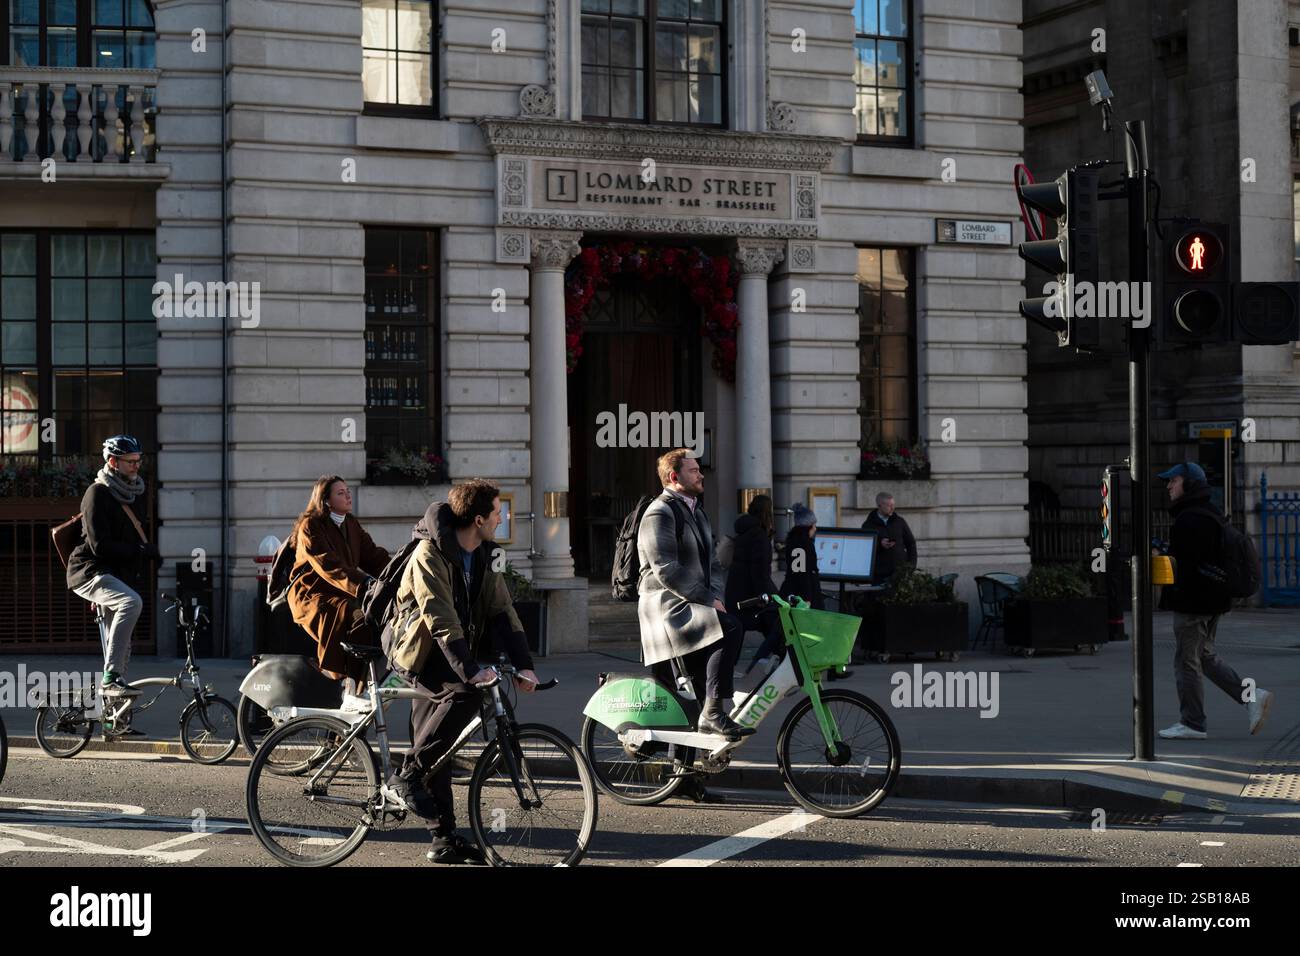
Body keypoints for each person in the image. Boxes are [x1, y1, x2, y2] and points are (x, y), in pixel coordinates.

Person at [384, 482, 539, 864]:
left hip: (448, 652)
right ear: (478, 519)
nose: (501, 518)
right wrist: (470, 670)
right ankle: (406, 774)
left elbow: (502, 610)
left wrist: (524, 665)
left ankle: (443, 840)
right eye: (496, 513)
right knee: (464, 696)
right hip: (418, 652)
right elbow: (440, 619)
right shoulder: (430, 553)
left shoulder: (484, 554)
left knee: (440, 743)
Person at [638, 448, 753, 740]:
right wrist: (707, 600)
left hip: (693, 605)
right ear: (675, 477)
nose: (701, 474)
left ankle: (690, 779)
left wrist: (716, 598)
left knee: (695, 696)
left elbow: (714, 565)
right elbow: (665, 569)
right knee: (729, 629)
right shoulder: (659, 512)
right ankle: (714, 712)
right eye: (694, 470)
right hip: (667, 608)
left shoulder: (697, 511)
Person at [1155, 462, 1273, 739]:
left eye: (1174, 480)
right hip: (1211, 602)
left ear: (1190, 485)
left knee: (1187, 661)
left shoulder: (1190, 519)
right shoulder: (1209, 514)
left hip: (1194, 605)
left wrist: (1160, 559)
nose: (1169, 486)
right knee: (1205, 658)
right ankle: (1253, 697)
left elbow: (1185, 566)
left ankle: (1192, 722)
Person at [66, 435, 160, 698]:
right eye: (130, 462)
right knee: (132, 603)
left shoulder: (134, 495)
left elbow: (127, 543)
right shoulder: (96, 494)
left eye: (138, 461)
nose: (136, 466)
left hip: (113, 576)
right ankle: (110, 678)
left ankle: (114, 721)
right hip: (88, 571)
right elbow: (100, 547)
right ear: (113, 462)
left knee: (121, 645)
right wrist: (139, 550)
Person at [286, 475, 389, 698]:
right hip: (313, 595)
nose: (348, 495)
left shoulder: (350, 523)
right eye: (340, 493)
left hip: (343, 591)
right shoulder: (311, 526)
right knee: (358, 618)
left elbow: (373, 556)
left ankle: (358, 681)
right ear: (326, 501)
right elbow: (328, 565)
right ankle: (345, 682)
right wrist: (364, 583)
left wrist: (398, 573)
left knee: (373, 618)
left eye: (348, 491)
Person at [781, 504, 852, 680]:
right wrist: (807, 598)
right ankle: (831, 669)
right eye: (813, 525)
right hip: (807, 593)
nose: (816, 529)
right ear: (807, 527)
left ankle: (830, 669)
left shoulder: (793, 542)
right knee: (822, 630)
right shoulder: (804, 544)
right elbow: (803, 573)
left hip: (799, 591)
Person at [725, 495, 783, 676]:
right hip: (750, 594)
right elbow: (759, 572)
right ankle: (786, 660)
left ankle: (729, 667)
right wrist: (765, 596)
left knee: (740, 628)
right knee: (775, 623)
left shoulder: (745, 532)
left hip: (737, 591)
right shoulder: (759, 536)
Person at [861, 491, 917, 583]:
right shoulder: (868, 525)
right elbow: (864, 550)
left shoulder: (899, 521)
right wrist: (880, 544)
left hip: (900, 574)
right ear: (879, 506)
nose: (892, 508)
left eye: (893, 505)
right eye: (889, 505)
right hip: (879, 576)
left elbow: (911, 544)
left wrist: (911, 567)